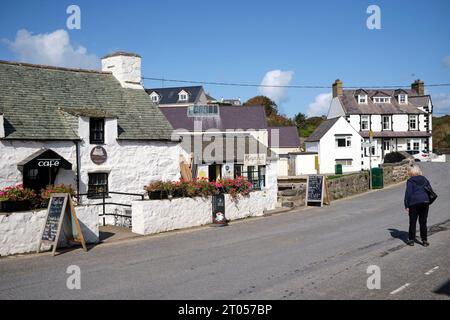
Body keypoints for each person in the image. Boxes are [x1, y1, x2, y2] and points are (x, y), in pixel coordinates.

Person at [404, 165, 431, 247]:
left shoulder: (410, 181)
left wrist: (406, 205)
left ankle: (411, 240)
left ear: (411, 172)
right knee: (423, 222)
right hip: (425, 202)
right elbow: (429, 190)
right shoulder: (424, 179)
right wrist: (427, 201)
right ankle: (424, 240)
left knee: (413, 222)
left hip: (414, 203)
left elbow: (408, 194)